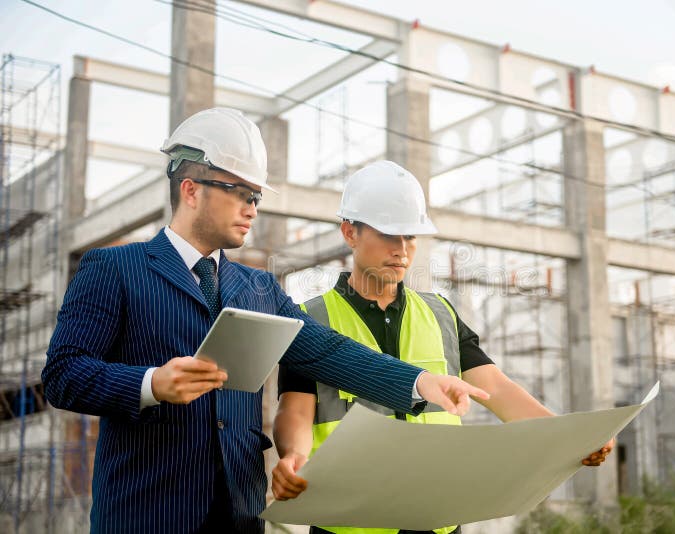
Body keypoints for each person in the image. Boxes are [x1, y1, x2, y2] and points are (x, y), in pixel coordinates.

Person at [42, 109, 487, 534]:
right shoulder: (114, 268)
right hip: (147, 514)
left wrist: (420, 383)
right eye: (239, 192)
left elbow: (327, 352)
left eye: (254, 196)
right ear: (191, 189)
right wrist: (152, 383)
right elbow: (63, 375)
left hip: (239, 511)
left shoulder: (259, 288)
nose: (252, 208)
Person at [271, 160, 615, 534]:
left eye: (410, 237)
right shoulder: (310, 317)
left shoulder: (441, 314)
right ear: (349, 232)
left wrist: (568, 439)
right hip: (352, 521)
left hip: (437, 518)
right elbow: (297, 411)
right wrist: (294, 456)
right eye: (389, 234)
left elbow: (497, 390)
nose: (401, 250)